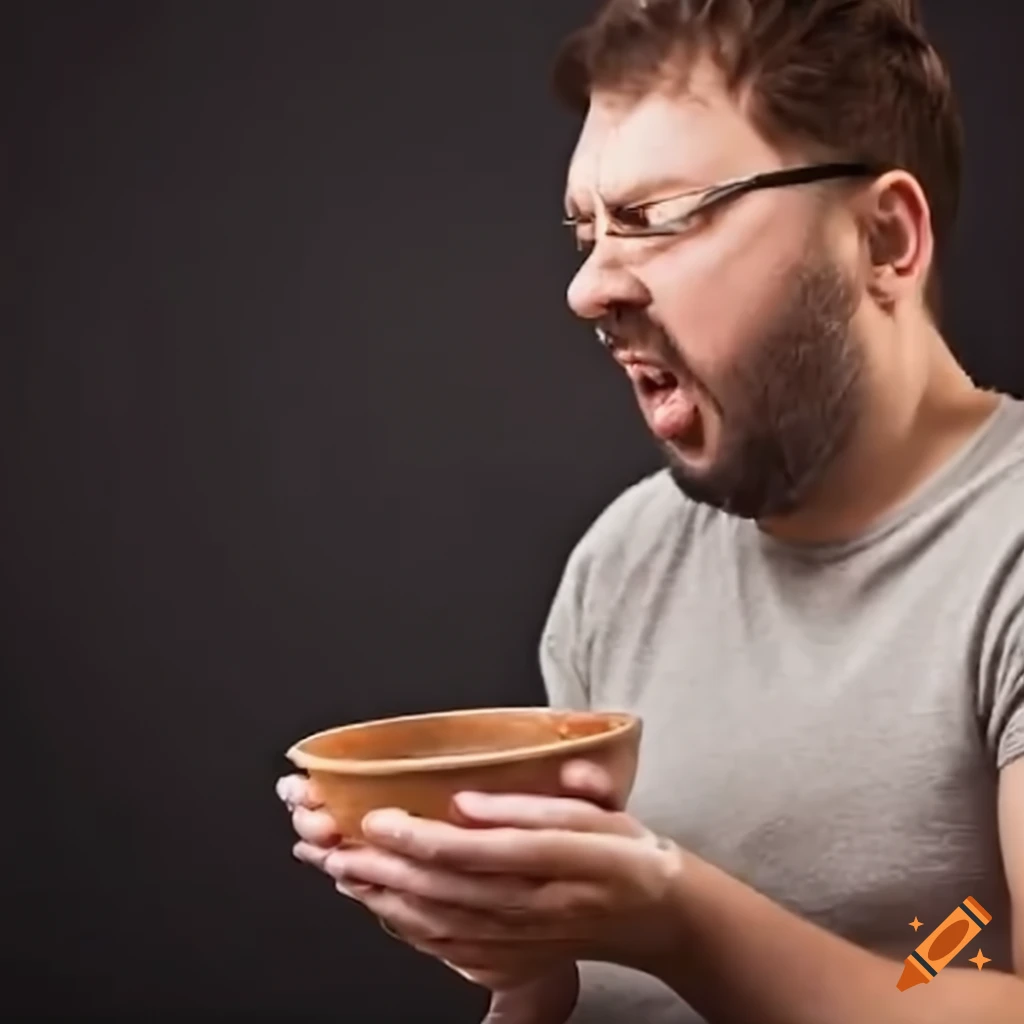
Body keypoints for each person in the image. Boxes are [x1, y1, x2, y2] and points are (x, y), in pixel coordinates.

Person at [276, 0, 1024, 1020]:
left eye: (653, 217)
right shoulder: (623, 559)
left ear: (882, 239)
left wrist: (673, 915)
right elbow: (553, 1004)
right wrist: (511, 947)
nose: (587, 286)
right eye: (585, 230)